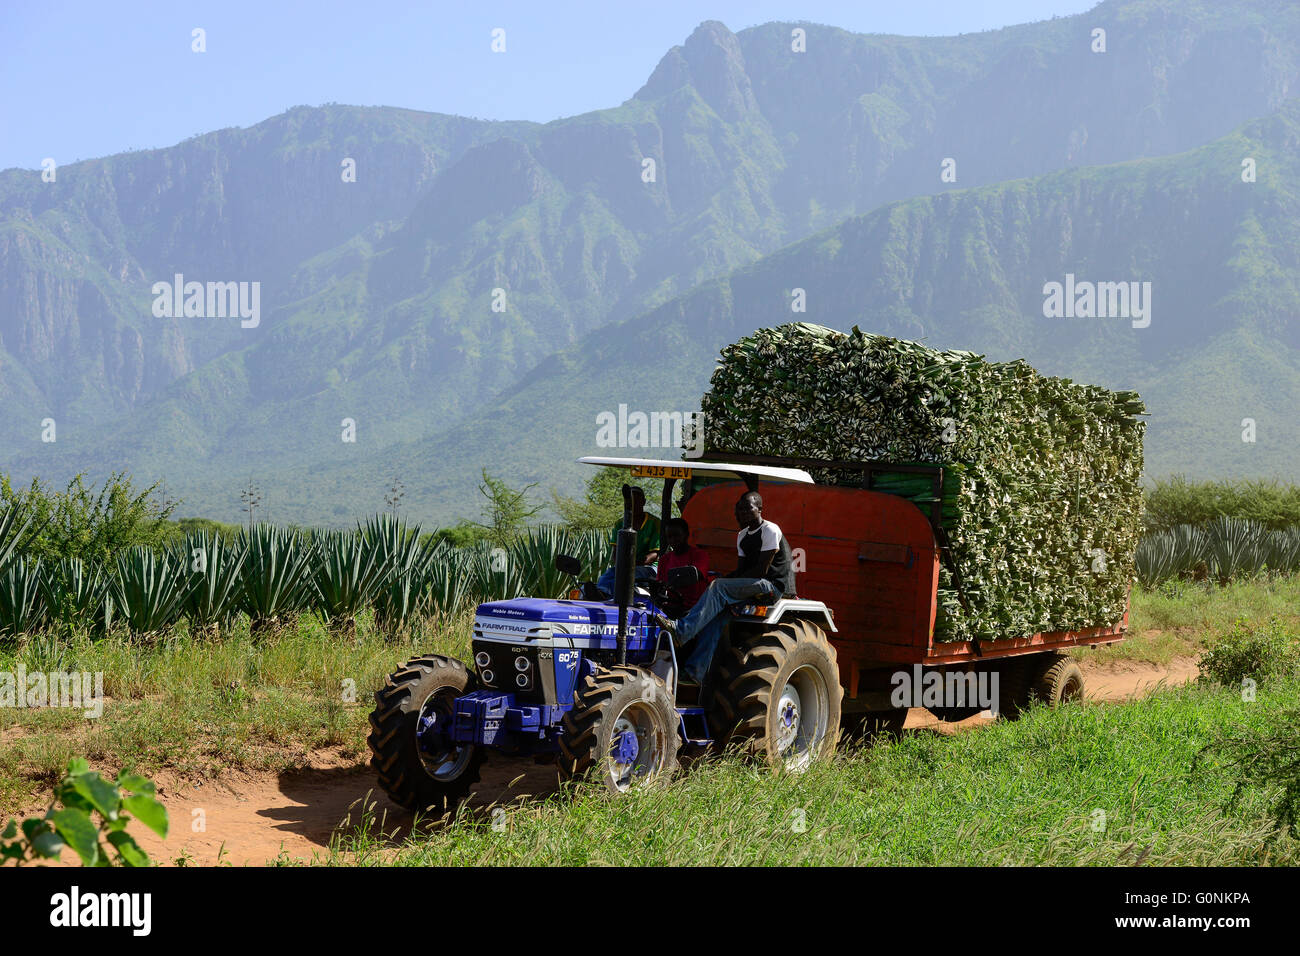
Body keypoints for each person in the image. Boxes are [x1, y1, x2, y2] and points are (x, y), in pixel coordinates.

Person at [657, 491, 794, 685]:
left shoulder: (770, 530)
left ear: (760, 509)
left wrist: (722, 585)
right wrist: (726, 579)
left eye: (749, 508)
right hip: (752, 585)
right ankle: (695, 672)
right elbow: (742, 570)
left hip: (771, 586)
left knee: (718, 587)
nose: (744, 512)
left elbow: (761, 571)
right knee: (716, 618)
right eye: (740, 509)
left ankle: (681, 631)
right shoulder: (742, 535)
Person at [595, 486, 660, 598]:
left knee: (630, 576)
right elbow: (616, 552)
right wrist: (620, 564)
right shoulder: (620, 524)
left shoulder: (655, 523)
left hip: (648, 567)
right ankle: (600, 593)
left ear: (644, 502)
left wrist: (632, 565)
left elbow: (654, 554)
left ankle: (610, 594)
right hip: (626, 566)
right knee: (608, 575)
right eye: (631, 501)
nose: (633, 504)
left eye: (637, 501)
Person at [655, 517, 710, 612]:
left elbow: (697, 574)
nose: (673, 540)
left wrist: (675, 579)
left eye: (676, 536)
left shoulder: (699, 554)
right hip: (672, 605)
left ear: (686, 535)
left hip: (695, 608)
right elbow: (660, 585)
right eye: (669, 537)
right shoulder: (664, 559)